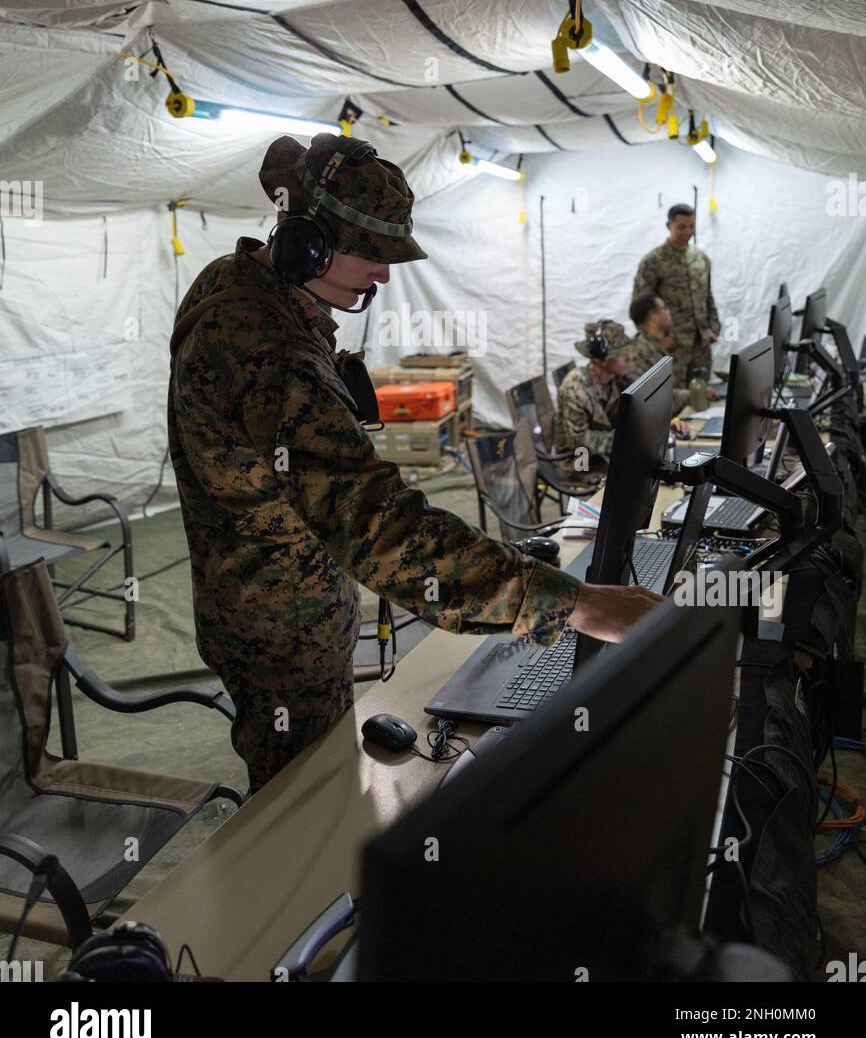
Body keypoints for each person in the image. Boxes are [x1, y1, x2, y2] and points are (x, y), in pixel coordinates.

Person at [167, 134, 662, 794]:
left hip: (286, 593)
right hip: (277, 624)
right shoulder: (266, 350)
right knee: (299, 811)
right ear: (306, 245)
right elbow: (379, 529)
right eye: (371, 255)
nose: (385, 274)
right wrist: (572, 605)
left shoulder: (246, 284)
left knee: (317, 786)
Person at [632, 203, 720, 388]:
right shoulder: (654, 261)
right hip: (672, 346)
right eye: (681, 227)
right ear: (668, 226)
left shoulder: (701, 259)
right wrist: (658, 339)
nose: (688, 231)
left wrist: (713, 327)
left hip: (701, 346)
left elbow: (708, 296)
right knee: (673, 401)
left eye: (691, 226)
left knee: (700, 398)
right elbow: (640, 307)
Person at [555, 320, 632, 471]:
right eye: (620, 354)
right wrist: (625, 440)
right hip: (581, 464)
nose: (628, 357)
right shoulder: (576, 389)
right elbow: (578, 442)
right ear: (599, 360)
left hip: (606, 455)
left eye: (627, 350)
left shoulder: (617, 379)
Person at [628, 293, 692, 415]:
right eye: (664, 308)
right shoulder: (639, 351)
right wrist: (693, 394)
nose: (669, 312)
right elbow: (653, 396)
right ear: (654, 316)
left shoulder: (655, 346)